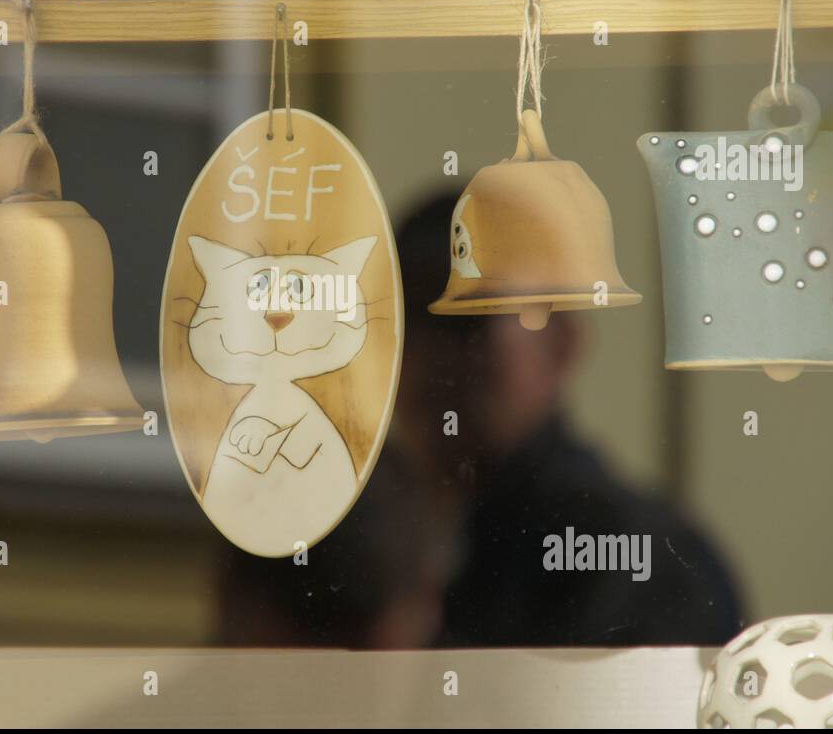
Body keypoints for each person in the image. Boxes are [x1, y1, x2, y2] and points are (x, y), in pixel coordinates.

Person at [215, 194, 743, 649]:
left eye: (466, 321)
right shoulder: (343, 535)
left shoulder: (638, 558)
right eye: (399, 322)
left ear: (563, 341)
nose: (422, 356)